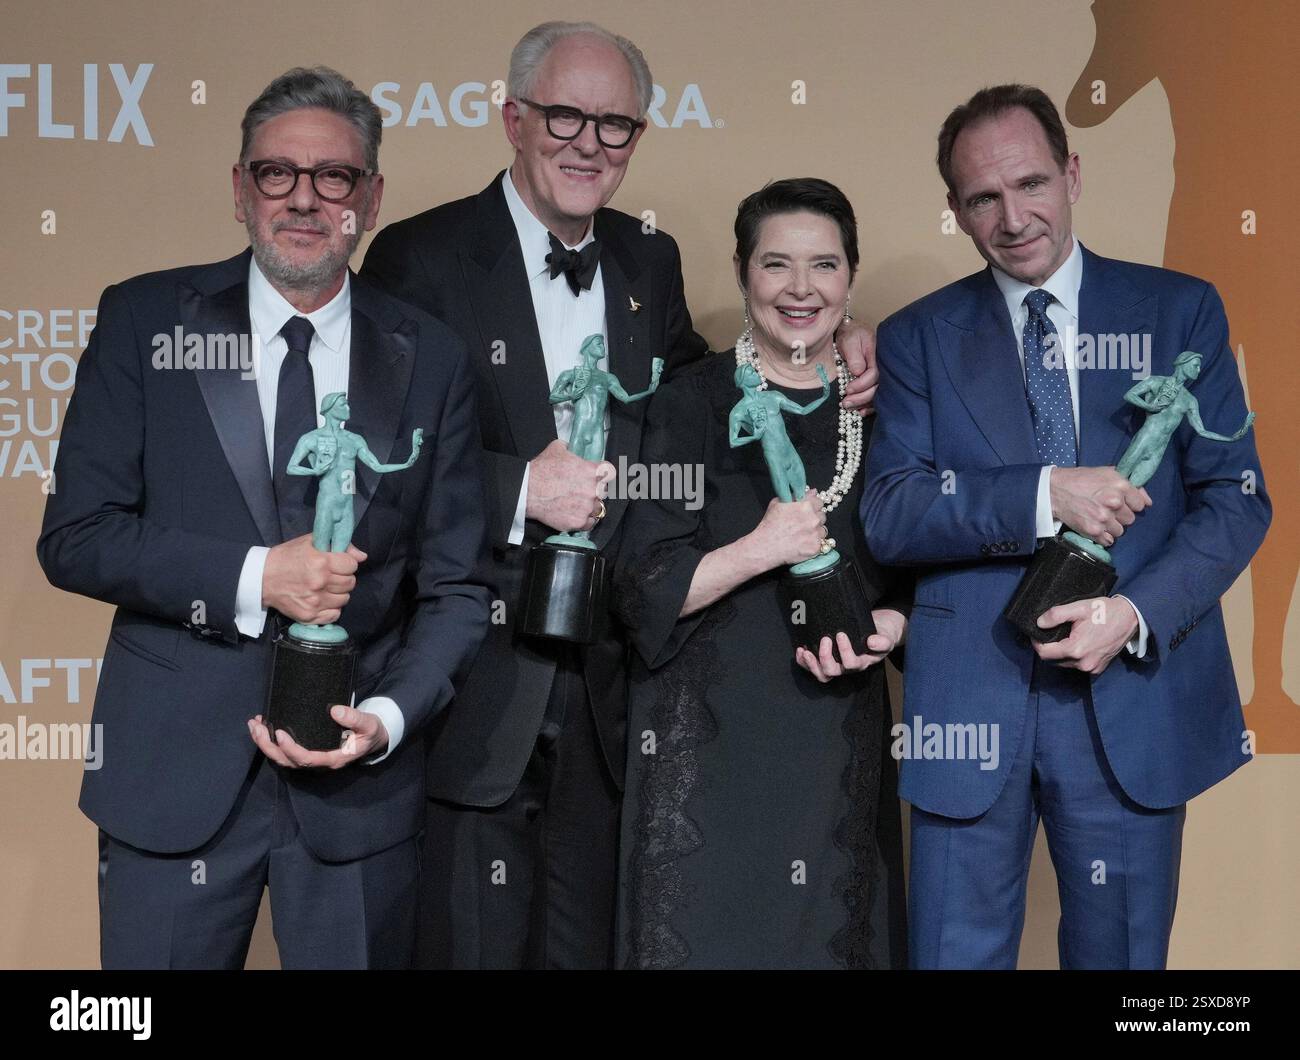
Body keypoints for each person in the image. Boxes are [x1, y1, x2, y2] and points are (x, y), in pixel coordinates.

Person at [361, 20, 880, 968]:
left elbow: (703, 394)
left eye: (616, 125)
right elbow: (380, 467)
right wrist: (523, 485)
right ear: (512, 116)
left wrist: (832, 336)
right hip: (478, 677)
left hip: (619, 698)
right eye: (565, 115)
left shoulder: (650, 260)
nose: (588, 143)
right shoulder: (419, 258)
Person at [36, 66, 491, 969]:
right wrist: (257, 578)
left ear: (370, 197)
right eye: (277, 173)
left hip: (357, 793)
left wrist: (391, 718)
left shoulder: (431, 357)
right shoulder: (144, 320)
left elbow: (456, 586)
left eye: (335, 177)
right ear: (240, 189)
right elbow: (77, 536)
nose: (305, 199)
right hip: (170, 783)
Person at [861, 84, 1271, 969]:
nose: (1013, 217)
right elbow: (891, 512)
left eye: (1032, 184)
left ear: (1072, 174)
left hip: (1132, 699)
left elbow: (1236, 498)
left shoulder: (1180, 311)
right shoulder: (916, 337)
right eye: (983, 199)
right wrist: (1045, 492)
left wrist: (1133, 614)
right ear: (956, 211)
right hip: (969, 703)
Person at [613, 178, 908, 969]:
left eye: (825, 265)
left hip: (836, 733)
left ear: (851, 276)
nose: (801, 289)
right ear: (743, 271)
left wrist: (896, 622)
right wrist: (763, 546)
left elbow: (922, 560)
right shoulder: (687, 403)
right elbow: (639, 579)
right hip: (706, 743)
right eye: (777, 265)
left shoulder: (889, 407)